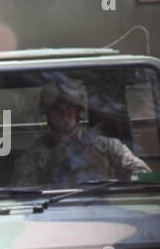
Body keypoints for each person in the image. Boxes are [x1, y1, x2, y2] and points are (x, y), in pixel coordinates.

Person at [13, 80, 150, 186]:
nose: (65, 114)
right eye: (57, 109)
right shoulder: (35, 156)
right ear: (47, 115)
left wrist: (126, 190)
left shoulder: (108, 146)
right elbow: (24, 192)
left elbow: (142, 173)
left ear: (79, 111)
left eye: (70, 107)